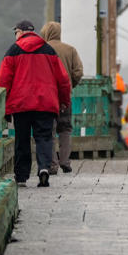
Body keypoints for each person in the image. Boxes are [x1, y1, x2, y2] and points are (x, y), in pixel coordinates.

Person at [0, 20, 71, 188]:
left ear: (20, 32)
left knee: (21, 140)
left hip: (20, 104)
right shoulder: (48, 50)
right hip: (45, 104)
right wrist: (64, 101)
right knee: (44, 137)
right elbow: (63, 80)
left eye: (15, 32)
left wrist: (4, 105)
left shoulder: (13, 50)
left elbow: (3, 81)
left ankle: (22, 177)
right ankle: (44, 168)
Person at [40, 21, 83, 175]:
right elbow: (78, 72)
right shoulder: (70, 50)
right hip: (65, 96)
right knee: (65, 129)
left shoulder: (41, 50)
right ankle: (65, 161)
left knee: (49, 131)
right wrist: (71, 85)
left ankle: (52, 164)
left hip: (47, 98)